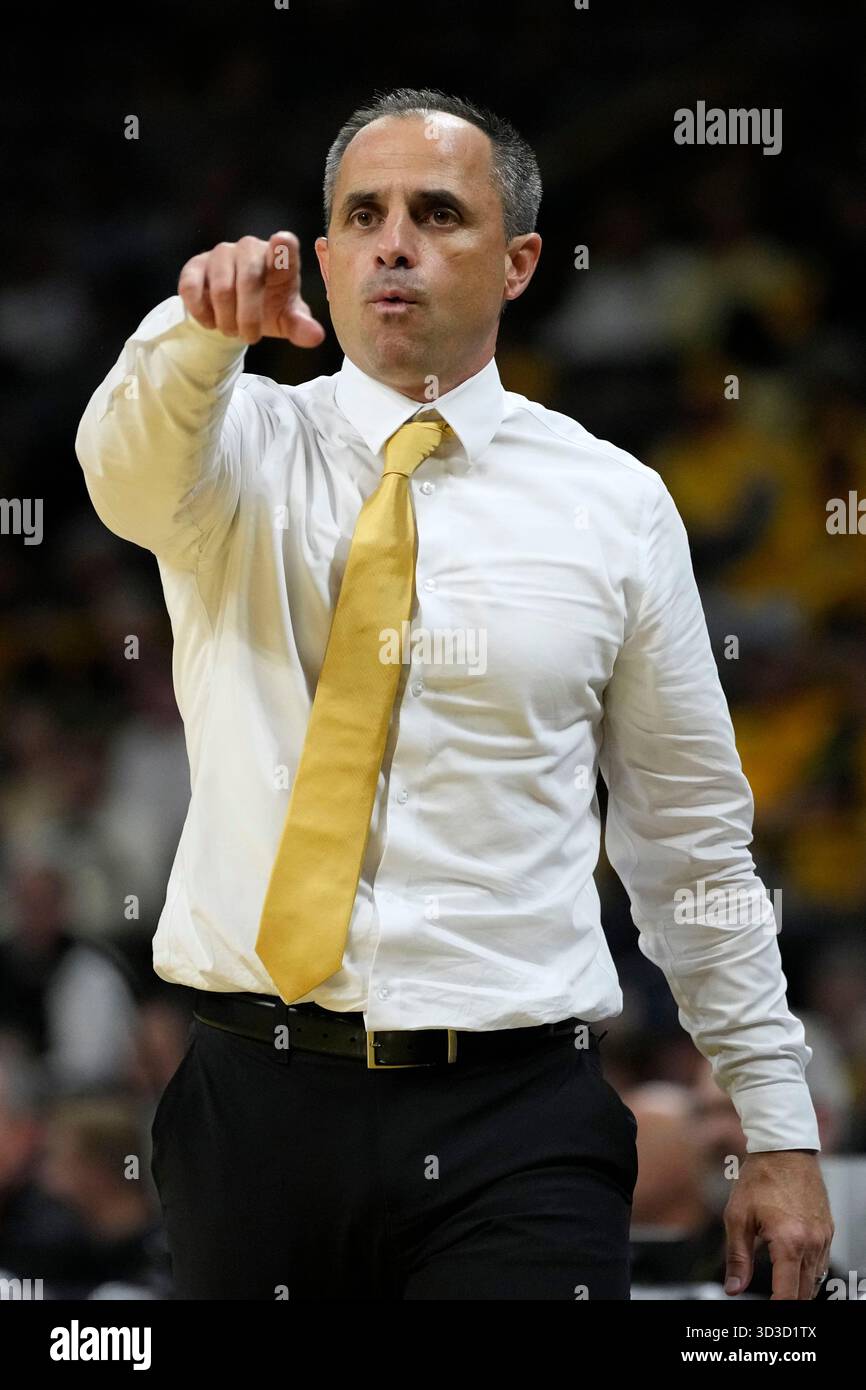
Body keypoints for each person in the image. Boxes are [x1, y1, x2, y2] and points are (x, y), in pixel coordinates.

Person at [74, 87, 833, 1300]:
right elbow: (119, 470)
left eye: (437, 212)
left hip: (513, 1120)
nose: (392, 241)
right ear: (320, 257)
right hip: (251, 1104)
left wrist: (778, 1126)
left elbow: (688, 838)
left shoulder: (613, 503)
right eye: (360, 215)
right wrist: (195, 329)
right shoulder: (231, 446)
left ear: (519, 259)